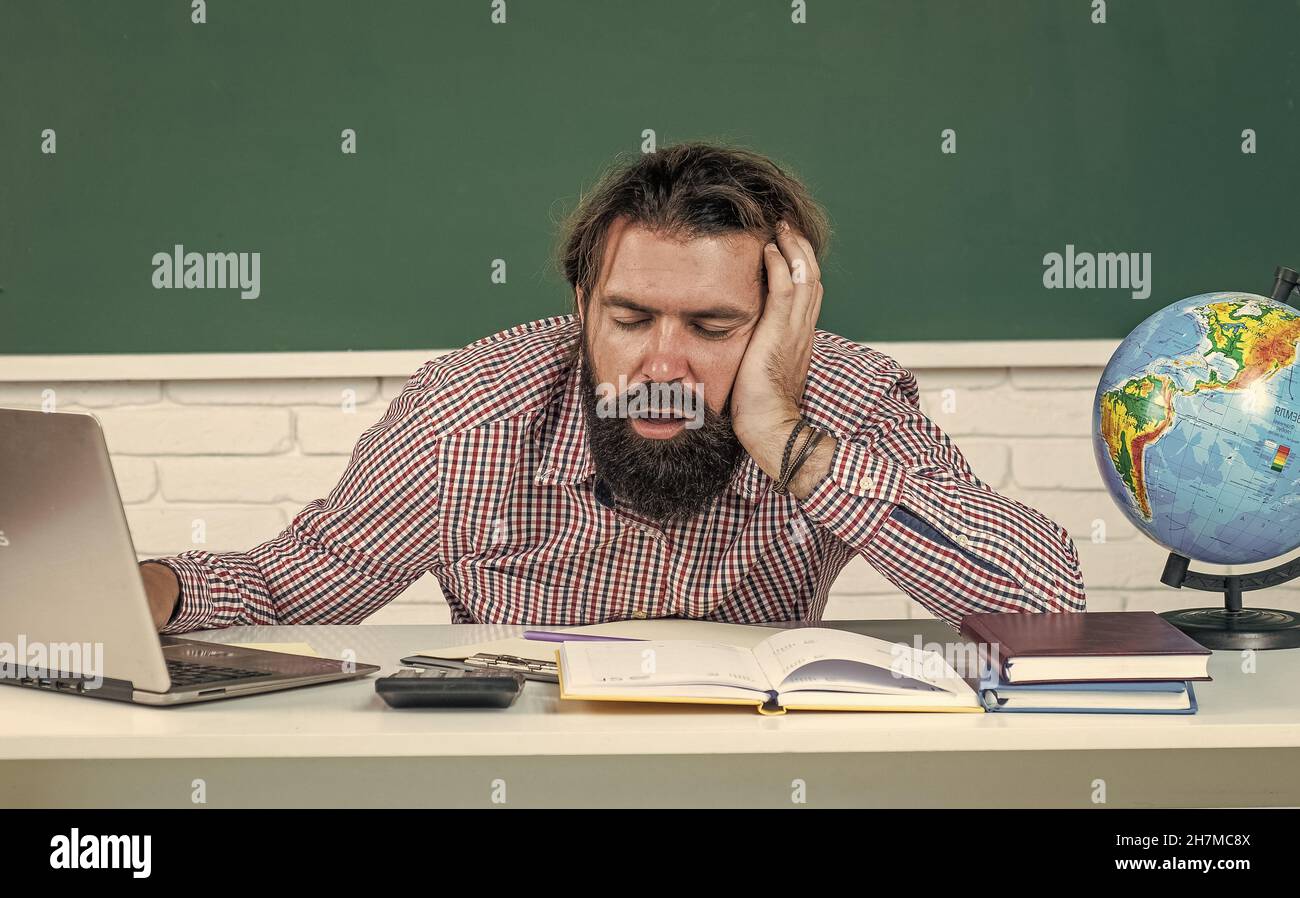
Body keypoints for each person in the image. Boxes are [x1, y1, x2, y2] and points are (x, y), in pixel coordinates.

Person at [139, 142, 1087, 632]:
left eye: (714, 327)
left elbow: (1048, 604)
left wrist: (783, 435)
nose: (662, 368)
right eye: (630, 319)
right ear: (582, 301)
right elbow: (292, 584)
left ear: (781, 318)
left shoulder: (845, 404)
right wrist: (141, 593)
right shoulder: (467, 413)